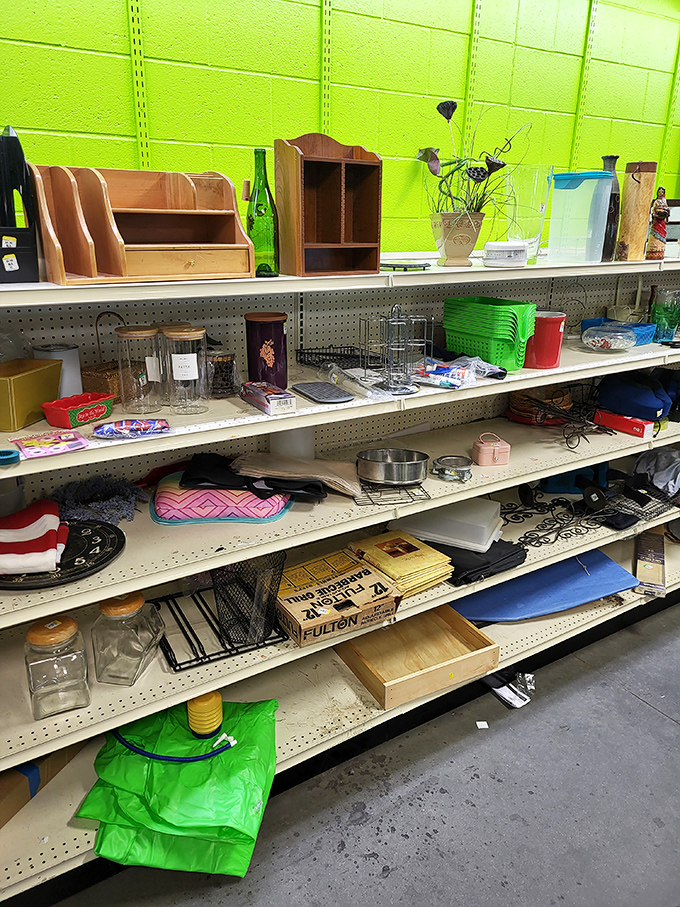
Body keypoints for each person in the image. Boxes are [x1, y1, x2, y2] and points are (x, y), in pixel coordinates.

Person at [646, 185, 671, 260]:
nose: (660, 193)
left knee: (662, 234)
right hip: (657, 220)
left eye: (662, 192)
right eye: (659, 192)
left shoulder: (664, 201)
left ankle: (660, 251)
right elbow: (653, 211)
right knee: (655, 235)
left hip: (662, 221)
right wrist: (657, 213)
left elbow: (666, 208)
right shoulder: (656, 202)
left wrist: (666, 212)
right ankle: (653, 251)